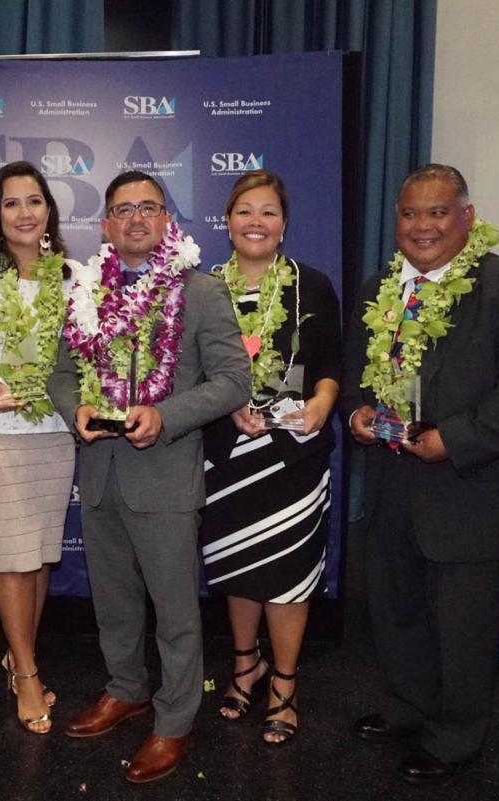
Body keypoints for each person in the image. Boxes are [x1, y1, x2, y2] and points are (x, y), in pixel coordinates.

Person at [342, 164, 499, 784]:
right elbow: (358, 373)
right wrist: (358, 413)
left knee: (464, 625)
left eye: (437, 212)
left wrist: (454, 440)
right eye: (410, 214)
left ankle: (457, 735)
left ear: (467, 216)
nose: (422, 226)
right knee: (397, 609)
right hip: (393, 484)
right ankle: (408, 708)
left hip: (473, 487)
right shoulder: (377, 289)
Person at [46, 171, 250, 783]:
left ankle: (173, 721)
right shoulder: (85, 290)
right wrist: (73, 409)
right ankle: (126, 688)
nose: (136, 218)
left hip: (164, 475)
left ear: (168, 221)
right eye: (123, 209)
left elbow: (233, 382)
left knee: (176, 611)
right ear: (105, 224)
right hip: (101, 471)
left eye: (149, 208)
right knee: (113, 602)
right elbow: (59, 374)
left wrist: (165, 415)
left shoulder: (201, 290)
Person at [200, 170, 341, 745]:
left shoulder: (314, 285)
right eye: (244, 211)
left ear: (284, 226)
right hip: (225, 455)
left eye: (268, 212)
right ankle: (244, 665)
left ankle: (284, 683)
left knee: (287, 573)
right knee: (236, 565)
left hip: (294, 451)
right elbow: (187, 370)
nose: (256, 222)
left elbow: (333, 364)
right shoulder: (203, 287)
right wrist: (225, 404)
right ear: (227, 223)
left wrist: (323, 404)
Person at [0, 161, 79, 734]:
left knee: (42, 554)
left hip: (53, 433)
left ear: (49, 208)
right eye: (11, 203)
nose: (25, 212)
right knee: (13, 553)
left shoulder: (76, 277)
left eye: (34, 200)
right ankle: (26, 674)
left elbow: (84, 357)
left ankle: (16, 652)